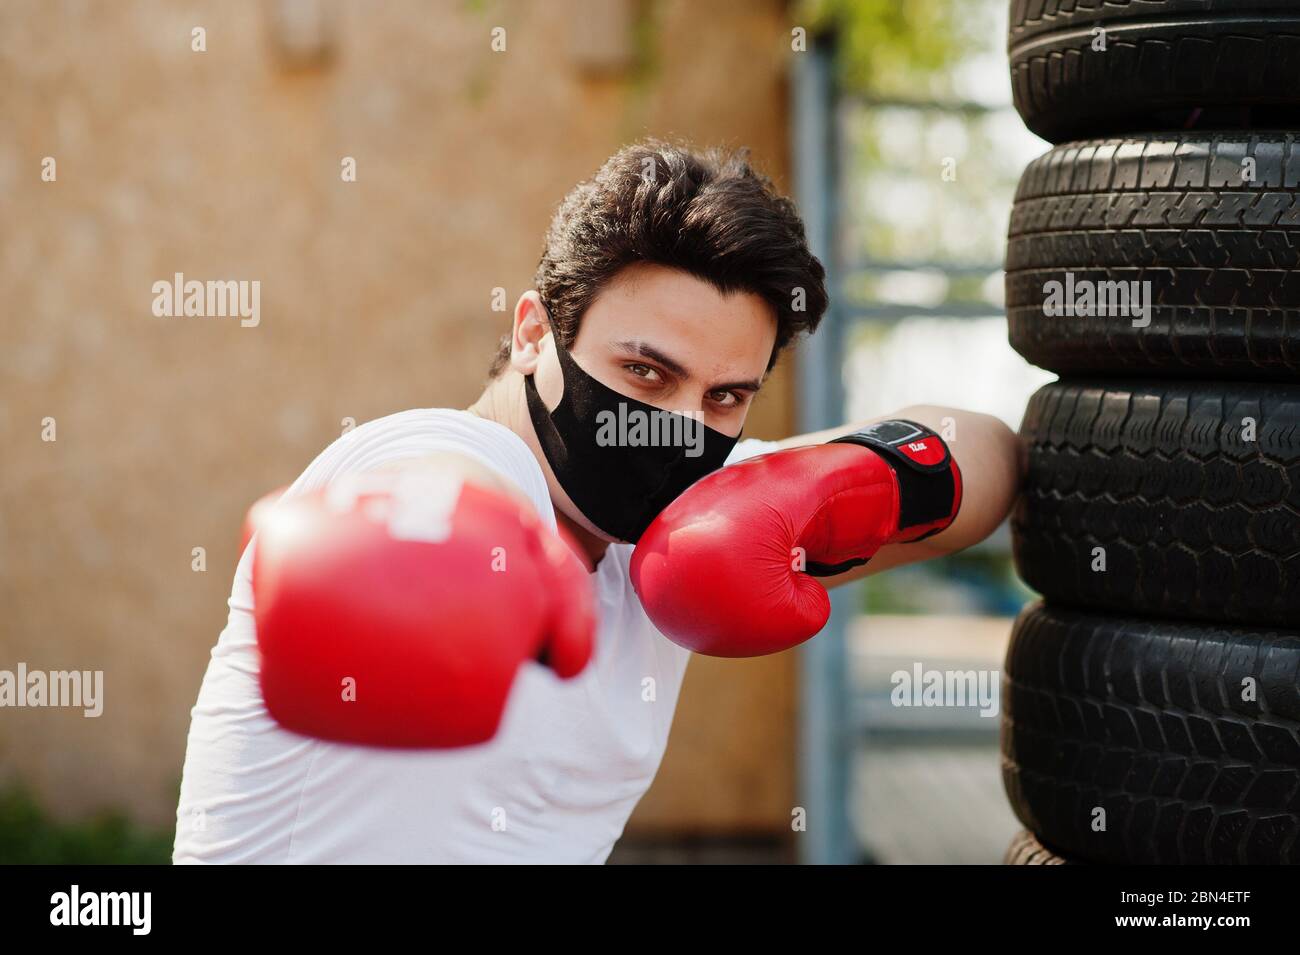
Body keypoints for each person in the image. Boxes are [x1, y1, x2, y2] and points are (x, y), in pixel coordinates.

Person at [173, 141, 1020, 864]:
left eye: (726, 397)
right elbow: (430, 491)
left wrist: (855, 479)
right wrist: (441, 563)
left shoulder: (694, 524)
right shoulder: (431, 459)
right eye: (644, 374)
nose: (678, 430)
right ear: (536, 332)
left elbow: (989, 457)